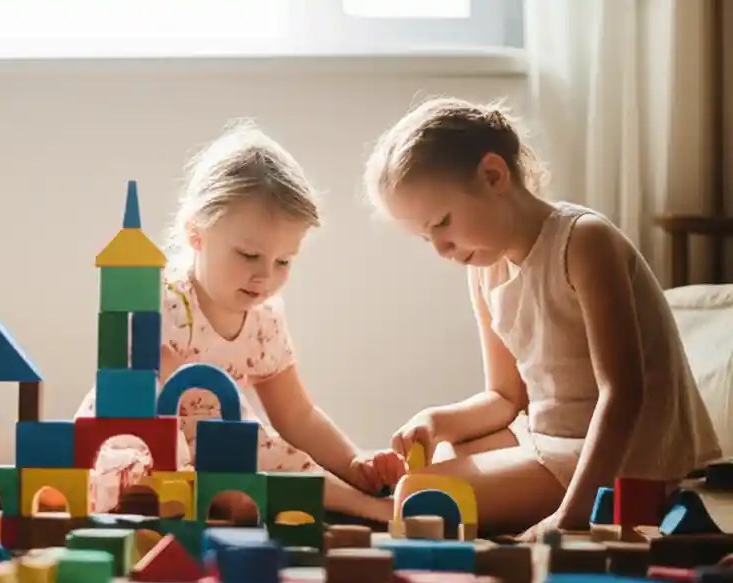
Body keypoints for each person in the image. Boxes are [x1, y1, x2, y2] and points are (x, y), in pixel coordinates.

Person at [366, 96, 722, 539]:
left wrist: (571, 516)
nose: (441, 250)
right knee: (445, 457)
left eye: (442, 223)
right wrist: (435, 421)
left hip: (627, 455)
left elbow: (624, 393)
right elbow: (503, 396)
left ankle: (578, 503)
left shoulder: (584, 242)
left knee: (419, 496)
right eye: (426, 238)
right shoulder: (486, 269)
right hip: (548, 437)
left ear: (494, 175)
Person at [72, 120, 404, 524]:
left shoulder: (265, 318)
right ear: (197, 235)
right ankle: (215, 502)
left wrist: (354, 463)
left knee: (276, 454)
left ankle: (362, 501)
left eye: (284, 261)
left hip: (222, 439)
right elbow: (137, 386)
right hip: (148, 428)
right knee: (138, 465)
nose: (265, 275)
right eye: (249, 255)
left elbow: (297, 416)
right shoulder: (158, 298)